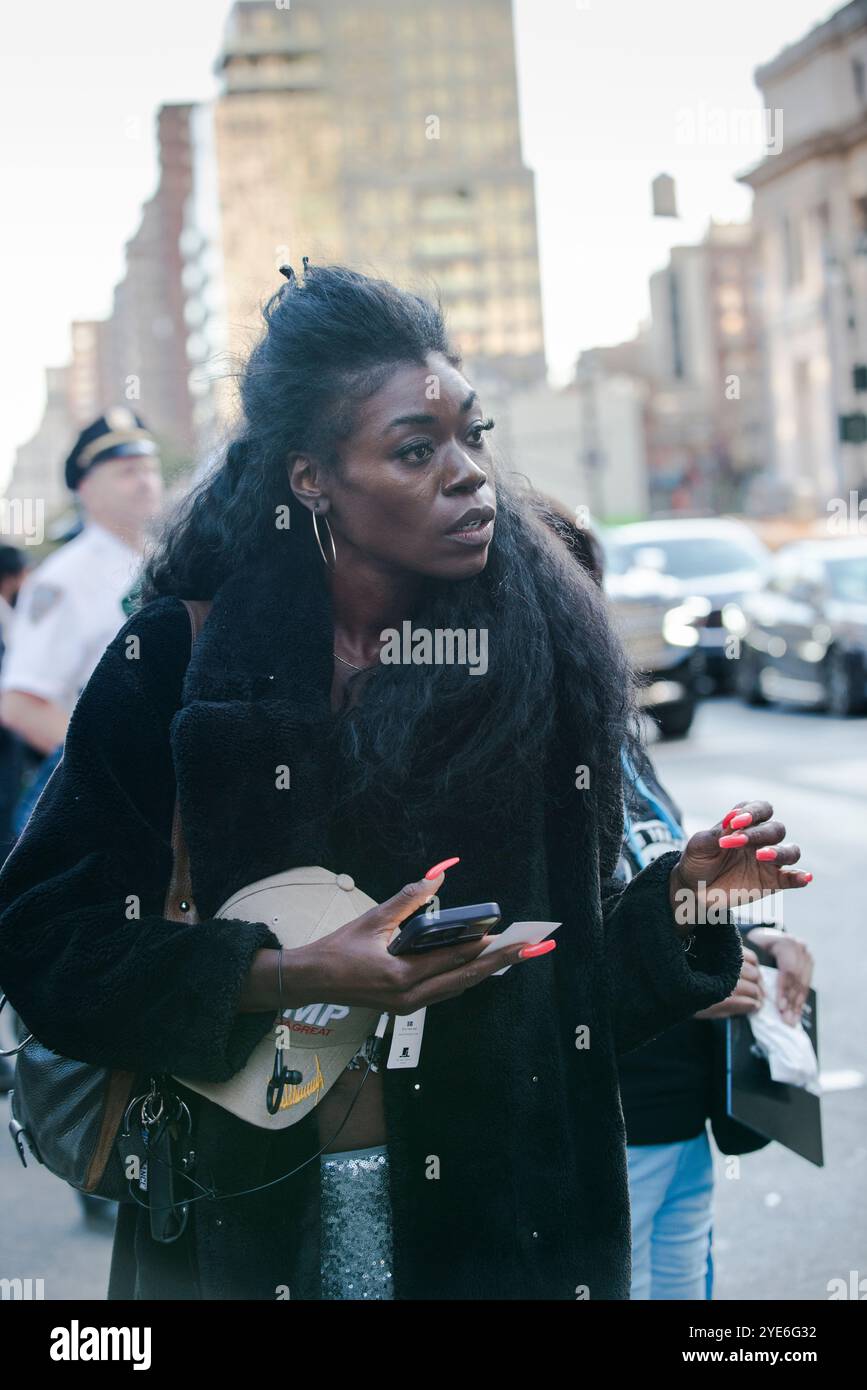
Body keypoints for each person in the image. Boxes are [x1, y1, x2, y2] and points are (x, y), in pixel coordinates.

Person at [0, 264, 812, 1301]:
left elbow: (577, 1001)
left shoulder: (544, 661)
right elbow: (47, 945)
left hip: (514, 1242)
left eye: (474, 437)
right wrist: (290, 975)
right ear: (311, 477)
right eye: (416, 450)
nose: (468, 473)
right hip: (244, 1235)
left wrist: (690, 899)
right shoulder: (175, 663)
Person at [534, 496, 815, 1300]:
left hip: (680, 1084)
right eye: (566, 599)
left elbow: (658, 880)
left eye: (592, 595)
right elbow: (544, 946)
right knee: (622, 1274)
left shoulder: (612, 737)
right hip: (612, 1088)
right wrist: (677, 977)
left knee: (682, 1267)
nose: (590, 622)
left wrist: (757, 941)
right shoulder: (514, 760)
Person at [0, 408, 164, 832]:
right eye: (127, 471)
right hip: (104, 807)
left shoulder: (169, 562)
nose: (145, 480)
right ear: (86, 489)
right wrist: (116, 768)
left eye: (149, 467)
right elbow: (20, 704)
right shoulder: (62, 579)